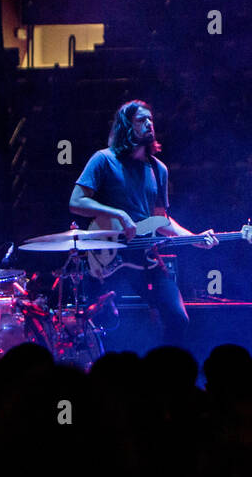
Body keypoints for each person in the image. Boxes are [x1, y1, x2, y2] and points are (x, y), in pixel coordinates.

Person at [69, 100, 217, 347]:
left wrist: (195, 239)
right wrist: (119, 214)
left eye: (151, 119)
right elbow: (76, 201)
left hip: (145, 258)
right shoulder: (104, 160)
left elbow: (161, 220)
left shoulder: (159, 170)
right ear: (127, 126)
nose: (149, 124)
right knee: (105, 327)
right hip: (108, 258)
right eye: (141, 120)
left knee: (178, 318)